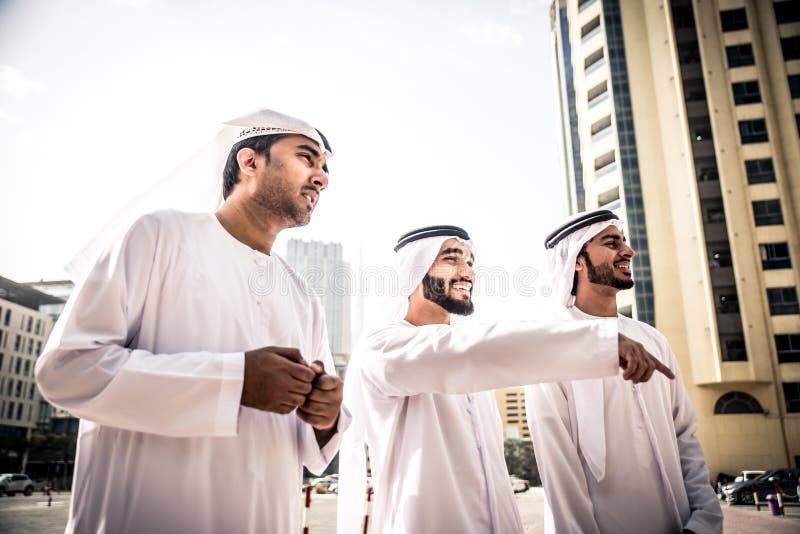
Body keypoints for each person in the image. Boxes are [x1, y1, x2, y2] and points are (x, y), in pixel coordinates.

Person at [35, 109, 348, 533]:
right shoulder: (158, 235)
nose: (322, 178)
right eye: (307, 158)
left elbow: (312, 445)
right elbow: (67, 372)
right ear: (250, 161)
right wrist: (235, 380)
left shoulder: (303, 297)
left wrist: (325, 414)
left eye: (325, 168)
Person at [337, 225, 674, 534]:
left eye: (470, 262)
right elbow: (464, 352)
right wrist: (598, 342)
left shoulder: (471, 354)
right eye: (452, 259)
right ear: (413, 270)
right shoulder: (384, 346)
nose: (468, 272)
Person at [524, 209, 723, 534]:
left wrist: (703, 522)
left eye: (624, 242)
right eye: (612, 243)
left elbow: (685, 436)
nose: (628, 251)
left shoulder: (653, 340)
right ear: (577, 259)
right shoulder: (552, 347)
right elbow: (560, 471)